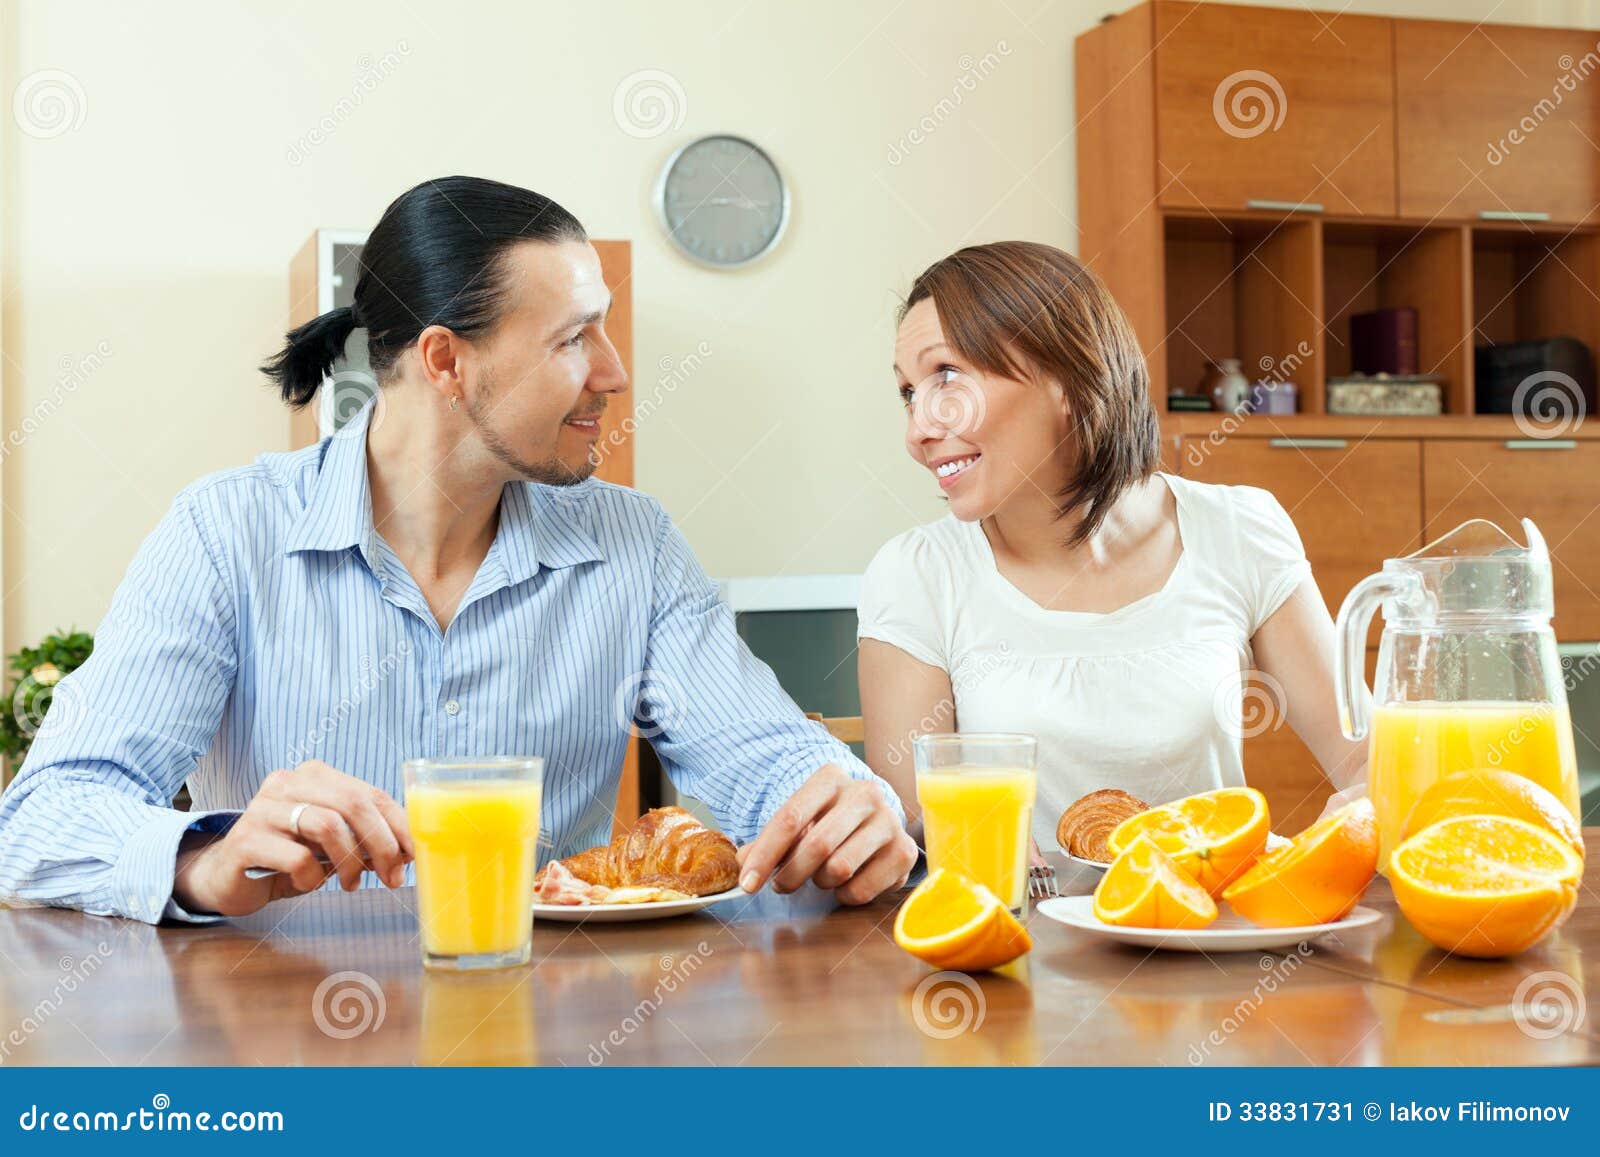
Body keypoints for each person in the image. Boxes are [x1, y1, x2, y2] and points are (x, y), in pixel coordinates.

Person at [0, 176, 915, 924]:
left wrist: (844, 803)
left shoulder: (631, 543)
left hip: (548, 1046)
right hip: (289, 1055)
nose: (614, 368)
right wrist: (207, 859)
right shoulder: (224, 534)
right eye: (572, 337)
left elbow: (765, 755)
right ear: (444, 362)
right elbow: (41, 817)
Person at [855, 241, 1365, 851]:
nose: (918, 431)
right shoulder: (916, 575)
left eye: (946, 378)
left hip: (1201, 929)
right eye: (909, 393)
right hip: (1016, 940)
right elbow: (912, 853)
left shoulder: (1238, 529)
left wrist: (1342, 838)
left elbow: (1367, 765)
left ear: (1068, 375)